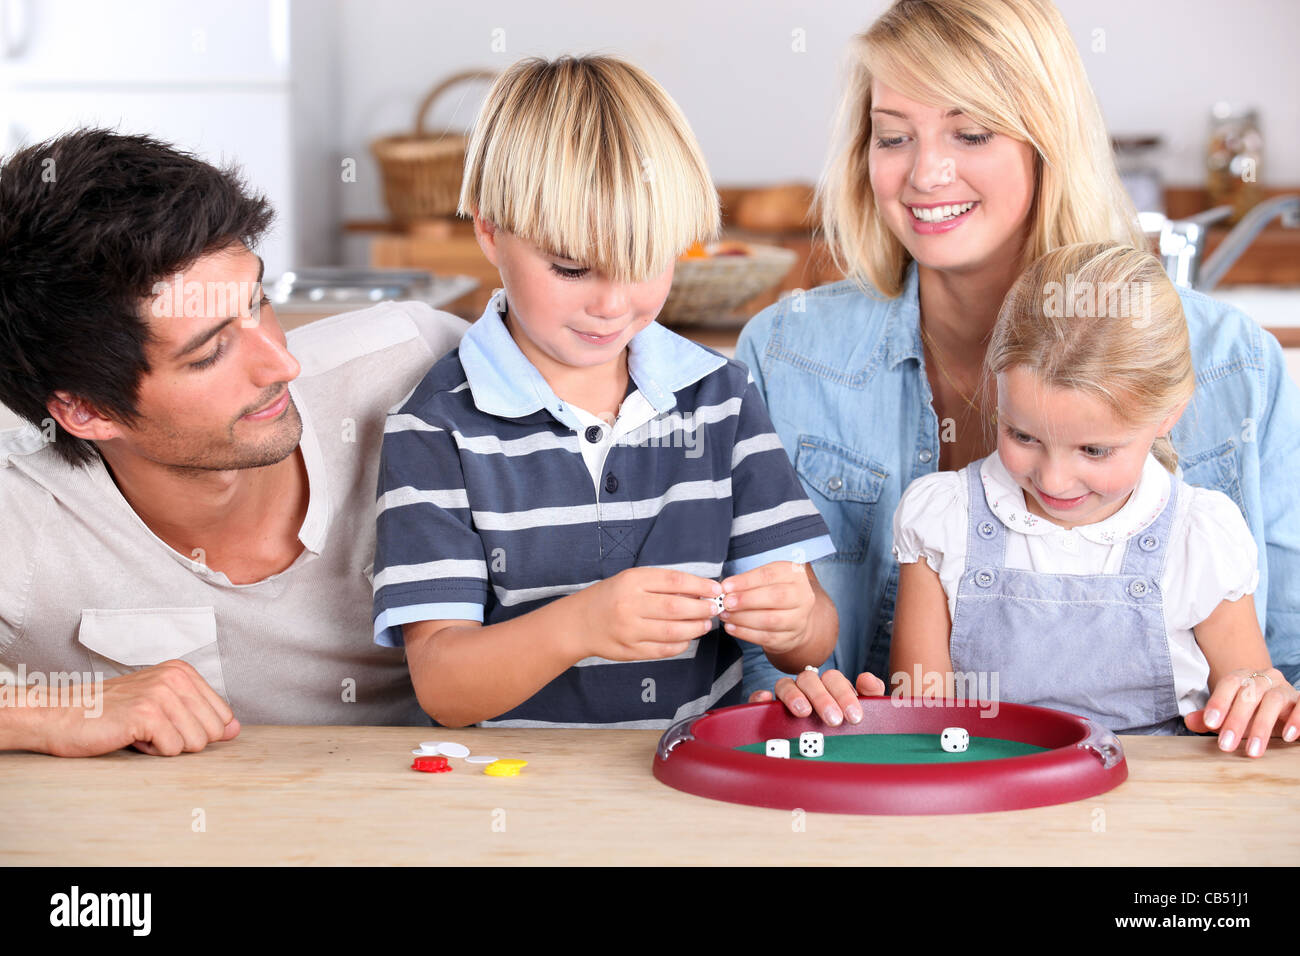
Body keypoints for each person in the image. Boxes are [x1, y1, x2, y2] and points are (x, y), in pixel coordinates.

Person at [736, 0, 1300, 726]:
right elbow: (759, 655)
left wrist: (1271, 701)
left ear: (1047, 142)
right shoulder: (787, 355)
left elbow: (1285, 660)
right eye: (893, 137)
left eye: (971, 132)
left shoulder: (1232, 363)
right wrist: (795, 684)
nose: (925, 173)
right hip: (890, 792)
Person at [371, 55, 838, 729]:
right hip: (513, 794)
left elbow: (813, 637)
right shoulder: (437, 426)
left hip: (694, 781)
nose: (612, 305)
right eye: (571, 267)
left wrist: (796, 622)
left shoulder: (721, 398)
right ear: (489, 230)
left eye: (646, 261)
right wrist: (579, 625)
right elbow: (444, 686)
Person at [0, 129, 467, 756]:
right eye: (211, 351)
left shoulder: (417, 365)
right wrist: (50, 711)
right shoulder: (22, 513)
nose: (282, 364)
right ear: (85, 411)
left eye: (261, 301)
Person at [889, 242, 1299, 753]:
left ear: (1167, 414)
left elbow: (1253, 705)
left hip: (1159, 814)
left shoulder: (1199, 535)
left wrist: (1269, 702)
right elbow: (923, 727)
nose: (1055, 480)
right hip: (993, 811)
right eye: (1023, 437)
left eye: (1094, 449)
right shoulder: (942, 519)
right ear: (998, 388)